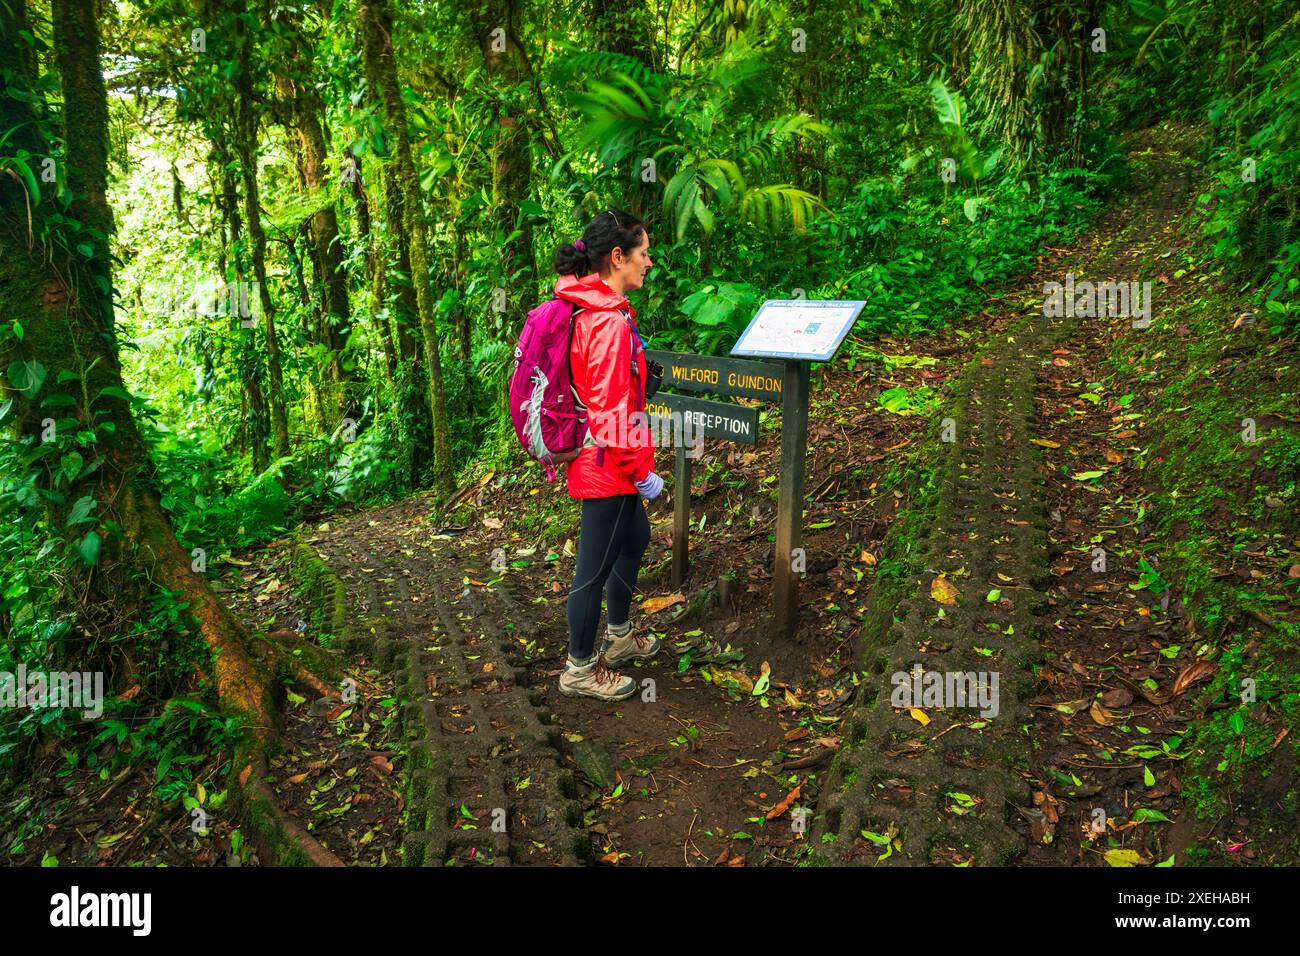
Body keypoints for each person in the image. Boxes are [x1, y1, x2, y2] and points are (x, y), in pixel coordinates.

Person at [554, 209, 665, 701]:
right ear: (617, 257)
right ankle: (578, 669)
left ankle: (618, 638)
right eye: (643, 254)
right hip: (606, 464)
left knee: (634, 537)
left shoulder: (604, 309)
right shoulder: (605, 322)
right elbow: (610, 411)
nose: (649, 262)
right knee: (592, 571)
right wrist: (641, 473)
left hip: (606, 461)